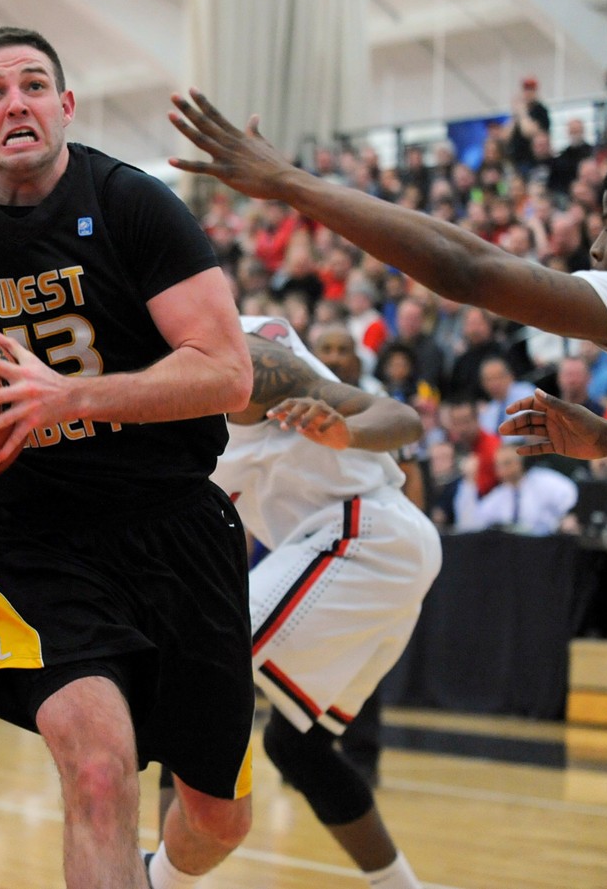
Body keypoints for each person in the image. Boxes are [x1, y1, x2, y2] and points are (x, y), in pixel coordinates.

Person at [169, 90, 607, 889]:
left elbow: (468, 269)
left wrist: (293, 185)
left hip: (365, 527)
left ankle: (160, 870)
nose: (591, 241)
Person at [0, 26, 255, 889]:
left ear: (65, 106)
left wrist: (73, 396)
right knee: (95, 768)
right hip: (39, 539)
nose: (17, 101)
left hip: (176, 525)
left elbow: (227, 372)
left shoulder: (134, 204)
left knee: (217, 817)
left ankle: (158, 877)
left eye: (34, 84)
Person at [186, 317, 438, 889]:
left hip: (364, 533)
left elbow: (403, 418)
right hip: (360, 550)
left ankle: (163, 880)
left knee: (194, 670)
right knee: (296, 747)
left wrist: (346, 432)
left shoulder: (245, 361)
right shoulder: (159, 396)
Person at [451, 445, 579, 535]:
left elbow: (571, 498)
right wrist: (469, 484)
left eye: (507, 463)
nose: (501, 470)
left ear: (522, 463)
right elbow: (473, 524)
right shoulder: (500, 494)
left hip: (547, 547)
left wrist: (565, 519)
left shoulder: (546, 481)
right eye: (498, 465)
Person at [505, 77, 552, 174]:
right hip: (516, 160)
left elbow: (529, 132)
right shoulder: (518, 112)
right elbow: (505, 136)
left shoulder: (541, 110)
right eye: (526, 90)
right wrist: (515, 114)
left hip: (531, 161)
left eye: (531, 90)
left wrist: (522, 112)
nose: (528, 93)